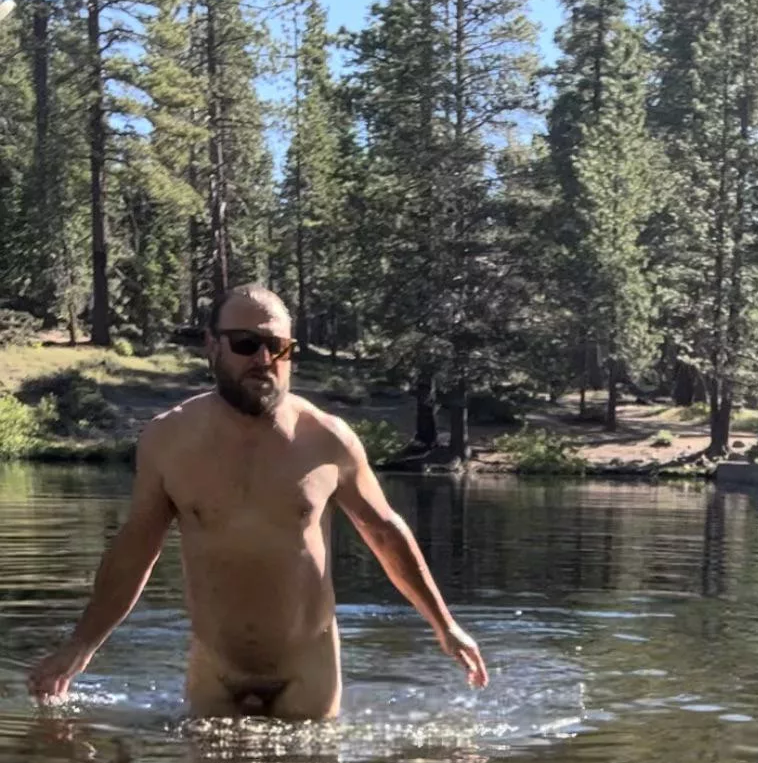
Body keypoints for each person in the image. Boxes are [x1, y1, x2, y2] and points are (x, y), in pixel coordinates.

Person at [27, 283, 488, 717]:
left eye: (278, 346)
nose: (264, 358)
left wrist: (444, 625)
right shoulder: (167, 440)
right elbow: (135, 549)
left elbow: (385, 533)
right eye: (246, 344)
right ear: (212, 346)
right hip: (214, 667)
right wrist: (82, 643)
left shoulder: (328, 440)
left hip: (307, 669)